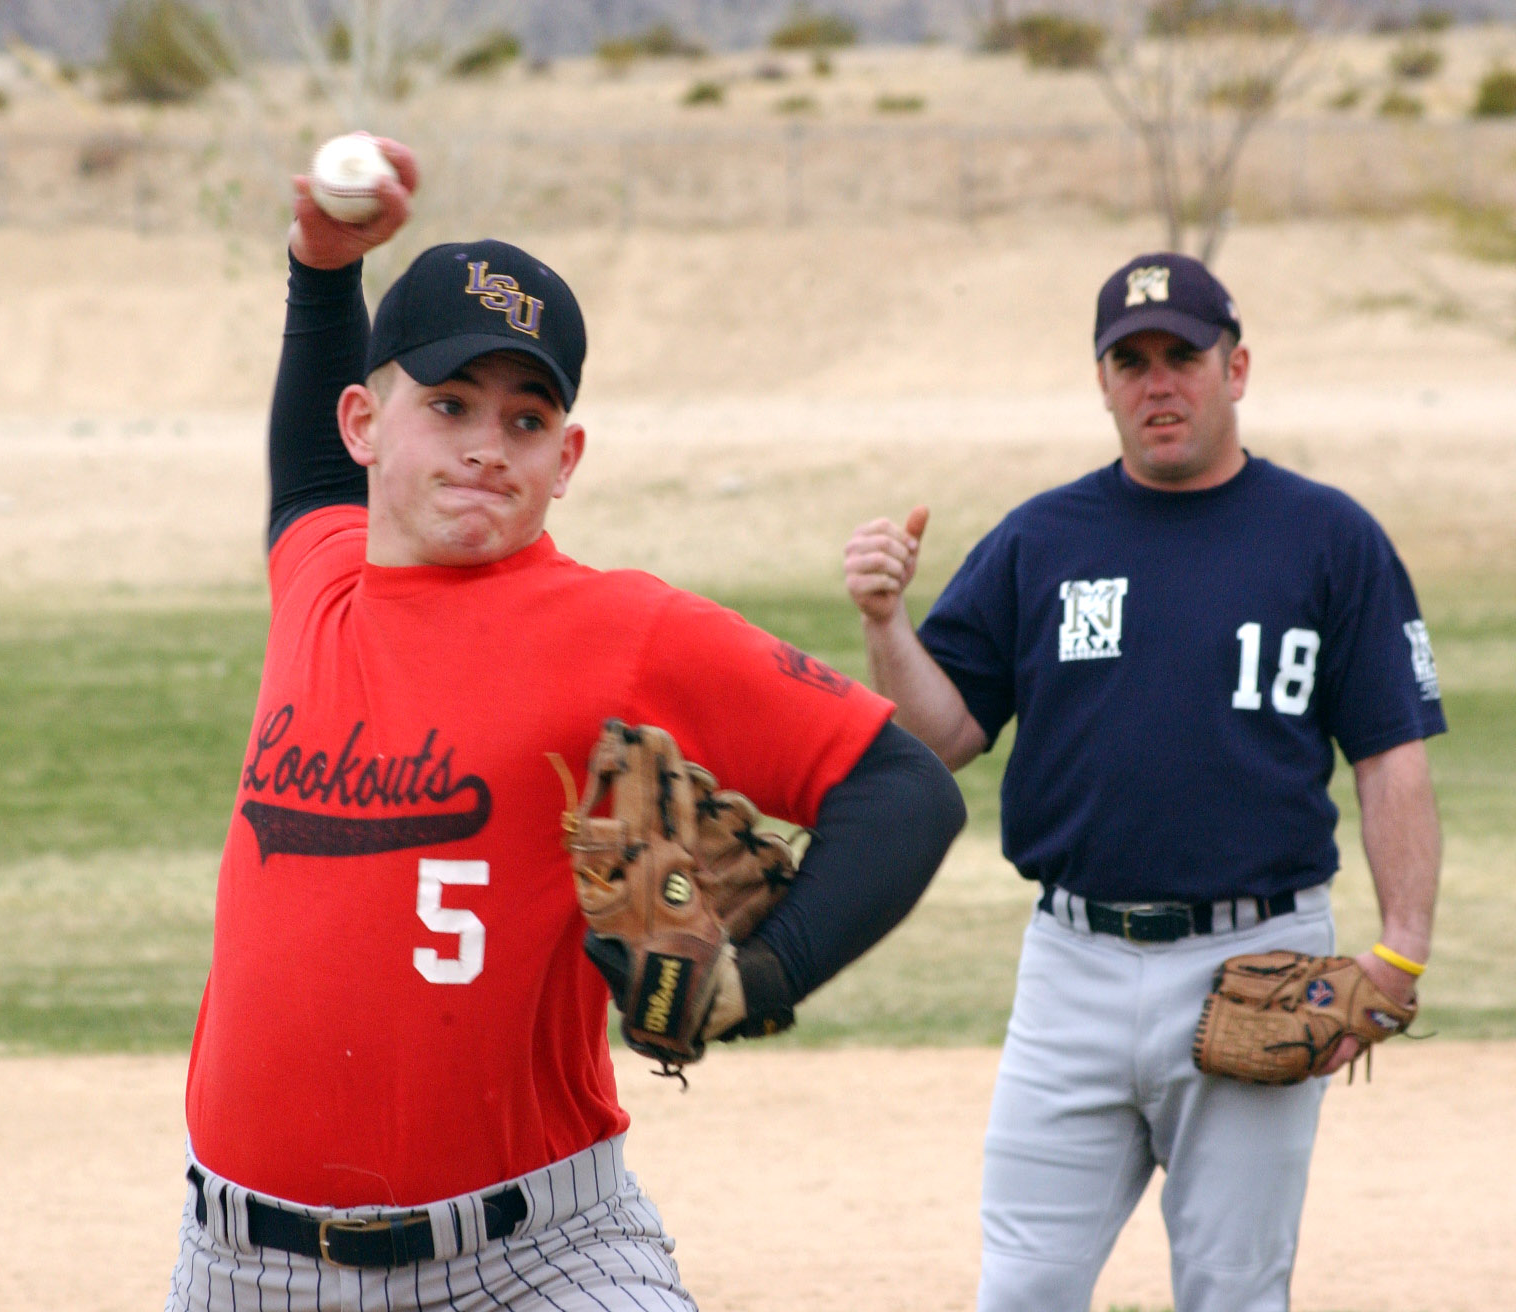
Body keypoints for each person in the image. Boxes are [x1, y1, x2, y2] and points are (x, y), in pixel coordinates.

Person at [165, 137, 965, 1312]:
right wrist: (322, 267)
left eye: (526, 417)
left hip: (534, 1258)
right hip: (247, 1269)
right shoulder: (318, 575)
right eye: (446, 405)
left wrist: (765, 972)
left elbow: (904, 787)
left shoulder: (619, 629)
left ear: (567, 457)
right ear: (363, 424)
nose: (487, 444)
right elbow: (299, 479)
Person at [842, 252, 1445, 1312]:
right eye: (1129, 361)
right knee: (1021, 1287)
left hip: (1258, 954)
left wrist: (1398, 951)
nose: (1155, 381)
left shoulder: (1327, 537)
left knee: (1231, 1289)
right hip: (1066, 962)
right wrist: (885, 624)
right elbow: (935, 739)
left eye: (1181, 355)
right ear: (1101, 381)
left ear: (1236, 368)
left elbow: (1390, 752)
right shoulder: (1040, 538)